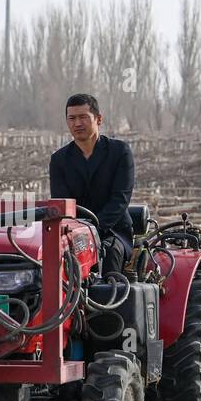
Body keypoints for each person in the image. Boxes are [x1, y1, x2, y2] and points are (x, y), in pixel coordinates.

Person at [49, 93, 135, 276]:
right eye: (72, 118)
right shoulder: (59, 160)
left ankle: (110, 301)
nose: (77, 123)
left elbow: (120, 198)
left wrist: (94, 229)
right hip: (73, 233)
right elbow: (62, 203)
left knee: (108, 254)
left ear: (98, 119)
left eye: (83, 117)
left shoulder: (119, 152)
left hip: (113, 232)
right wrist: (78, 231)